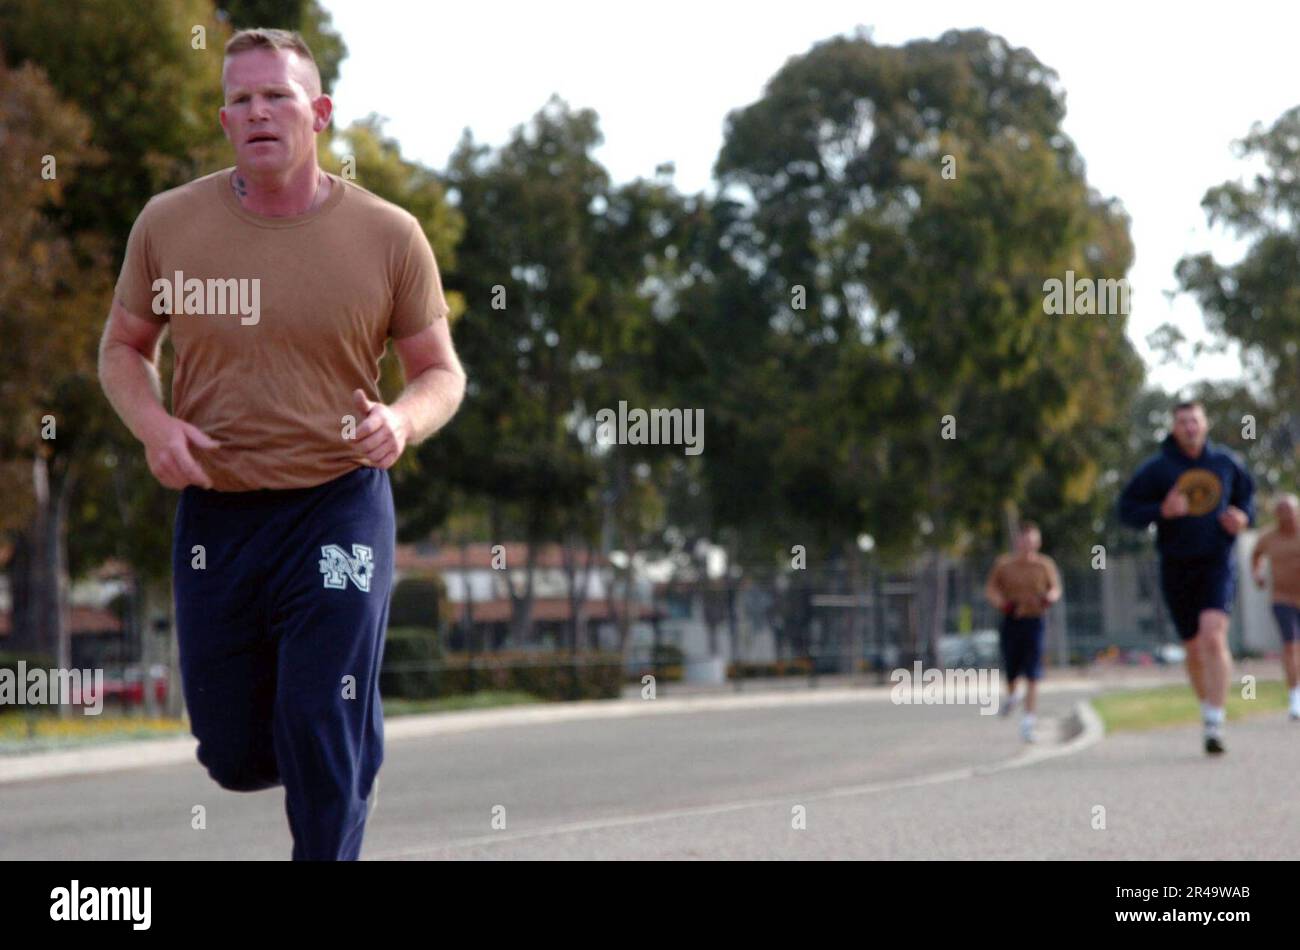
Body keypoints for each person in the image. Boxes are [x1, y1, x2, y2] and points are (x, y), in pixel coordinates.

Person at [97, 28, 466, 858]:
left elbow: (440, 371)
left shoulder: (389, 234)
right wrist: (154, 427)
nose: (258, 111)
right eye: (241, 99)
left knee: (317, 717)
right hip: (219, 516)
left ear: (320, 113)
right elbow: (123, 347)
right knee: (233, 752)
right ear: (225, 119)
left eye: (278, 96)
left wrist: (402, 421)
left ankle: (334, 736)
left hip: (338, 501)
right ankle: (340, 724)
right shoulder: (169, 224)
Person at [1118, 400, 1254, 755]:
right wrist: (1160, 511)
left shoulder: (1225, 463)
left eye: (1194, 420)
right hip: (1176, 564)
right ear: (1174, 428)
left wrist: (1243, 517)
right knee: (1193, 647)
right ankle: (1207, 706)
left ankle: (1215, 722)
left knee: (1213, 636)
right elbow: (1127, 510)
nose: (1190, 427)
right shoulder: (1158, 468)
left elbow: (1247, 498)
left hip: (1217, 561)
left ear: (1205, 424)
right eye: (1182, 422)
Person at [984, 521, 1062, 742]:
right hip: (1012, 620)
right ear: (1018, 542)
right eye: (1024, 540)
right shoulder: (1004, 565)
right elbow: (990, 589)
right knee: (1011, 667)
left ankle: (1028, 720)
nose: (1028, 545)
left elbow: (1055, 588)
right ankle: (1012, 694)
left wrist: (1050, 598)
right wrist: (1002, 604)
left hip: (1035, 621)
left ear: (1037, 542)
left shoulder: (1045, 565)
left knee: (1033, 672)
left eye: (1032, 541)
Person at [1250, 494, 1300, 720]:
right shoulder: (1269, 537)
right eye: (1281, 512)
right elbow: (1255, 555)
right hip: (1282, 599)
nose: (1286, 516)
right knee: (1290, 647)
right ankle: (1295, 699)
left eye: (1290, 511)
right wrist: (1257, 574)